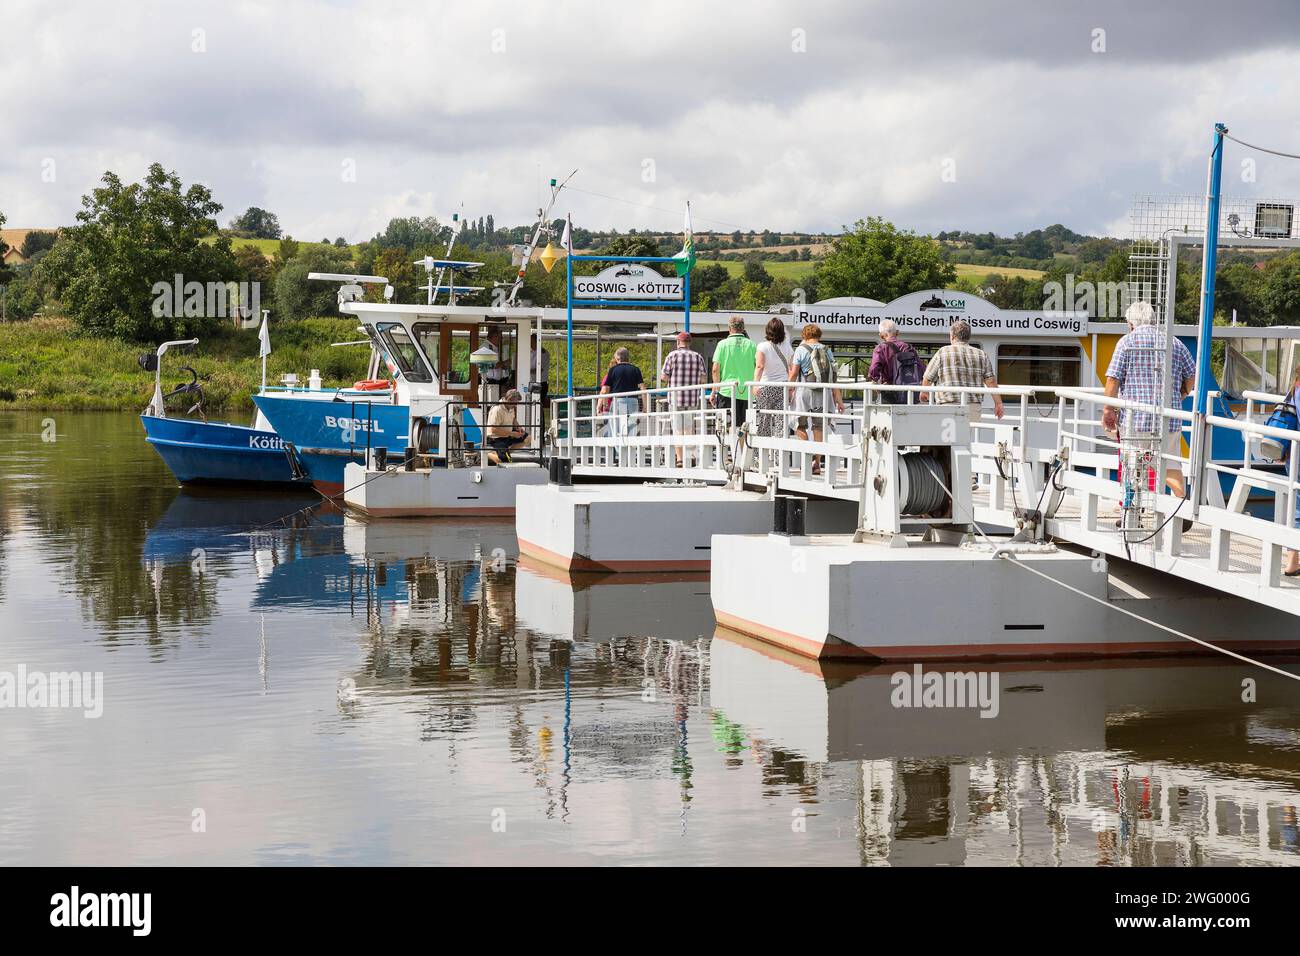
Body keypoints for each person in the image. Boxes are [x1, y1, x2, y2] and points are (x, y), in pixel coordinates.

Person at [1101, 300, 1195, 524]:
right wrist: (1179, 394)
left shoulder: (1127, 342)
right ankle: (1182, 506)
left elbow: (1113, 379)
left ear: (1130, 323)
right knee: (1170, 466)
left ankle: (1130, 513)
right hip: (1168, 419)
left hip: (1135, 421)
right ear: (1153, 320)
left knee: (1132, 466)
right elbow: (1191, 377)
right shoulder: (1174, 343)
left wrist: (1108, 410)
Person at [789, 323, 845, 474]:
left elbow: (794, 373)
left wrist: (788, 388)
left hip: (804, 391)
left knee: (800, 425)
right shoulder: (827, 350)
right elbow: (833, 377)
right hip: (823, 393)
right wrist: (839, 400)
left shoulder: (800, 350)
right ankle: (817, 463)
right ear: (819, 335)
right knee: (818, 427)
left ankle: (806, 460)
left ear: (804, 335)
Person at [920, 319, 1004, 419]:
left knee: (949, 435)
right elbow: (991, 381)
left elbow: (928, 377)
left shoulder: (943, 352)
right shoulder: (981, 354)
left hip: (948, 406)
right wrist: (998, 403)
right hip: (973, 407)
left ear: (952, 336)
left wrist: (924, 392)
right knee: (970, 434)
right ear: (968, 337)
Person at [659, 331, 708, 466]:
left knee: (677, 429)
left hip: (675, 398)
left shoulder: (672, 355)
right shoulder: (698, 357)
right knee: (689, 428)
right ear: (690, 343)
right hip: (692, 398)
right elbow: (704, 378)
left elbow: (663, 376)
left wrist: (674, 380)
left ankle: (680, 458)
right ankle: (691, 455)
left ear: (678, 342)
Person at [711, 315, 757, 430]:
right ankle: (741, 448)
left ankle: (729, 447)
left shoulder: (722, 344)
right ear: (743, 328)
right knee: (744, 427)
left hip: (726, 391)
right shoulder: (752, 345)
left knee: (725, 426)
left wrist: (715, 390)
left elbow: (715, 369)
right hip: (747, 392)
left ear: (729, 328)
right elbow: (758, 367)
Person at [753, 317, 794, 438]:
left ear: (768, 331)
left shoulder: (762, 346)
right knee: (781, 421)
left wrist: (755, 384)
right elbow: (792, 369)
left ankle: (761, 453)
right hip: (783, 387)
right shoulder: (788, 347)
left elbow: (760, 366)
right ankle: (779, 454)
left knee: (763, 421)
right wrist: (791, 388)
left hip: (766, 388)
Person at [868, 319, 922, 404]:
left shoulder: (881, 348)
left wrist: (874, 382)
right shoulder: (909, 347)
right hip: (910, 391)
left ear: (882, 336)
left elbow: (874, 368)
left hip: (890, 391)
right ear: (897, 332)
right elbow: (921, 368)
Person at [599, 347, 645, 437]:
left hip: (618, 401)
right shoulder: (636, 369)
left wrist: (604, 405)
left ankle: (618, 448)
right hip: (633, 401)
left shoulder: (613, 370)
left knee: (615, 428)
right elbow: (643, 389)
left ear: (617, 358)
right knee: (632, 428)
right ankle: (631, 449)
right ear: (628, 357)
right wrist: (645, 407)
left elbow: (605, 390)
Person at [486, 389, 528, 463]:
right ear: (509, 400)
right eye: (515, 403)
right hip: (496, 438)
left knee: (528, 438)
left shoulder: (511, 407)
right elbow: (493, 430)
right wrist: (512, 434)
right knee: (507, 461)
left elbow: (513, 418)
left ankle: (504, 452)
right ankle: (488, 454)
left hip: (507, 436)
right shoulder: (497, 409)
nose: (516, 405)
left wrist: (518, 427)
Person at [530, 334, 550, 428]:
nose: (530, 343)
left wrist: (525, 370)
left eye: (532, 341)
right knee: (531, 407)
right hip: (531, 383)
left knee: (538, 407)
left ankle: (540, 433)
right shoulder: (530, 352)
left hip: (541, 384)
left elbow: (539, 369)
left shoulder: (543, 353)